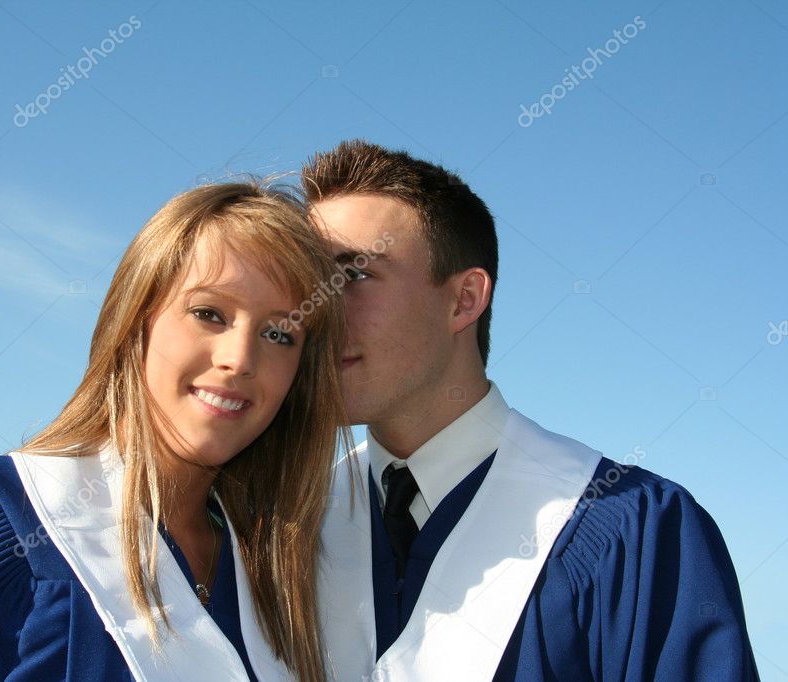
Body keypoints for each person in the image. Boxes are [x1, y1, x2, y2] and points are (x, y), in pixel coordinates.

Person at [0, 181, 348, 681]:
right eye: (209, 313)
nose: (239, 358)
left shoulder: (285, 584)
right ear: (136, 321)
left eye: (280, 333)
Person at [302, 140, 759, 681]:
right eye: (307, 283)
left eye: (354, 276)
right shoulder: (291, 524)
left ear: (465, 299)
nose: (317, 314)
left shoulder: (632, 531)